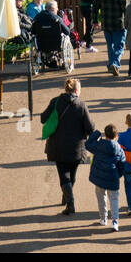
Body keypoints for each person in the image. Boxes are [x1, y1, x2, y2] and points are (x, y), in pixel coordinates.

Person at [40, 76, 94, 215]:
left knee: (64, 175)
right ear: (76, 90)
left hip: (58, 146)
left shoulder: (56, 102)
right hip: (76, 148)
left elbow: (43, 118)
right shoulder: (82, 105)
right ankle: (68, 198)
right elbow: (90, 128)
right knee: (72, 175)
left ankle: (69, 201)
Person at [86, 123, 126, 230]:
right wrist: (118, 175)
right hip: (113, 177)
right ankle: (115, 221)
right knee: (114, 198)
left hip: (99, 177)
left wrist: (97, 133)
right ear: (116, 136)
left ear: (105, 135)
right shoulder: (119, 149)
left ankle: (103, 218)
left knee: (101, 197)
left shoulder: (99, 145)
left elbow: (88, 144)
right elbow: (122, 163)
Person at [94, 0, 129, 76]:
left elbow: (95, 7)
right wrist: (129, 21)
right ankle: (115, 64)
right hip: (119, 23)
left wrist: (95, 20)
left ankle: (111, 64)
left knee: (110, 45)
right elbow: (125, 8)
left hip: (106, 22)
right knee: (119, 45)